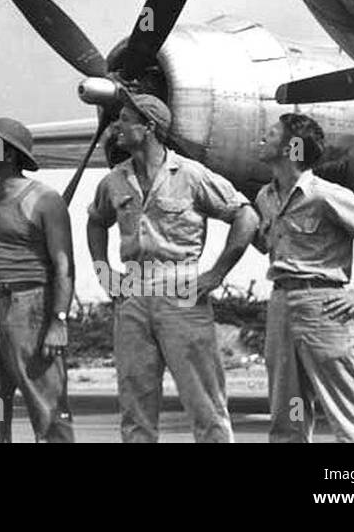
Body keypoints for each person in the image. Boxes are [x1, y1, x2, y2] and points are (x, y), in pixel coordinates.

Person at [86, 91, 258, 443]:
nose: (116, 126)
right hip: (132, 296)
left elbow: (246, 216)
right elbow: (96, 221)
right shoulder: (114, 181)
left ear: (149, 127)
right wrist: (104, 272)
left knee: (205, 402)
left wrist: (216, 274)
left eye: (125, 120)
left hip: (181, 292)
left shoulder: (191, 175)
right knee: (135, 406)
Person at [254, 113, 354, 443]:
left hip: (323, 311)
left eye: (271, 134)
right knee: (290, 412)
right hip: (282, 307)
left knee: (348, 412)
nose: (262, 138)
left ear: (293, 147)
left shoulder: (326, 195)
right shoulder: (265, 198)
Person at [0, 117, 74, 443]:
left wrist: (58, 321)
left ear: (9, 154)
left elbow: (64, 267)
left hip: (30, 311)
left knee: (46, 406)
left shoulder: (45, 200)